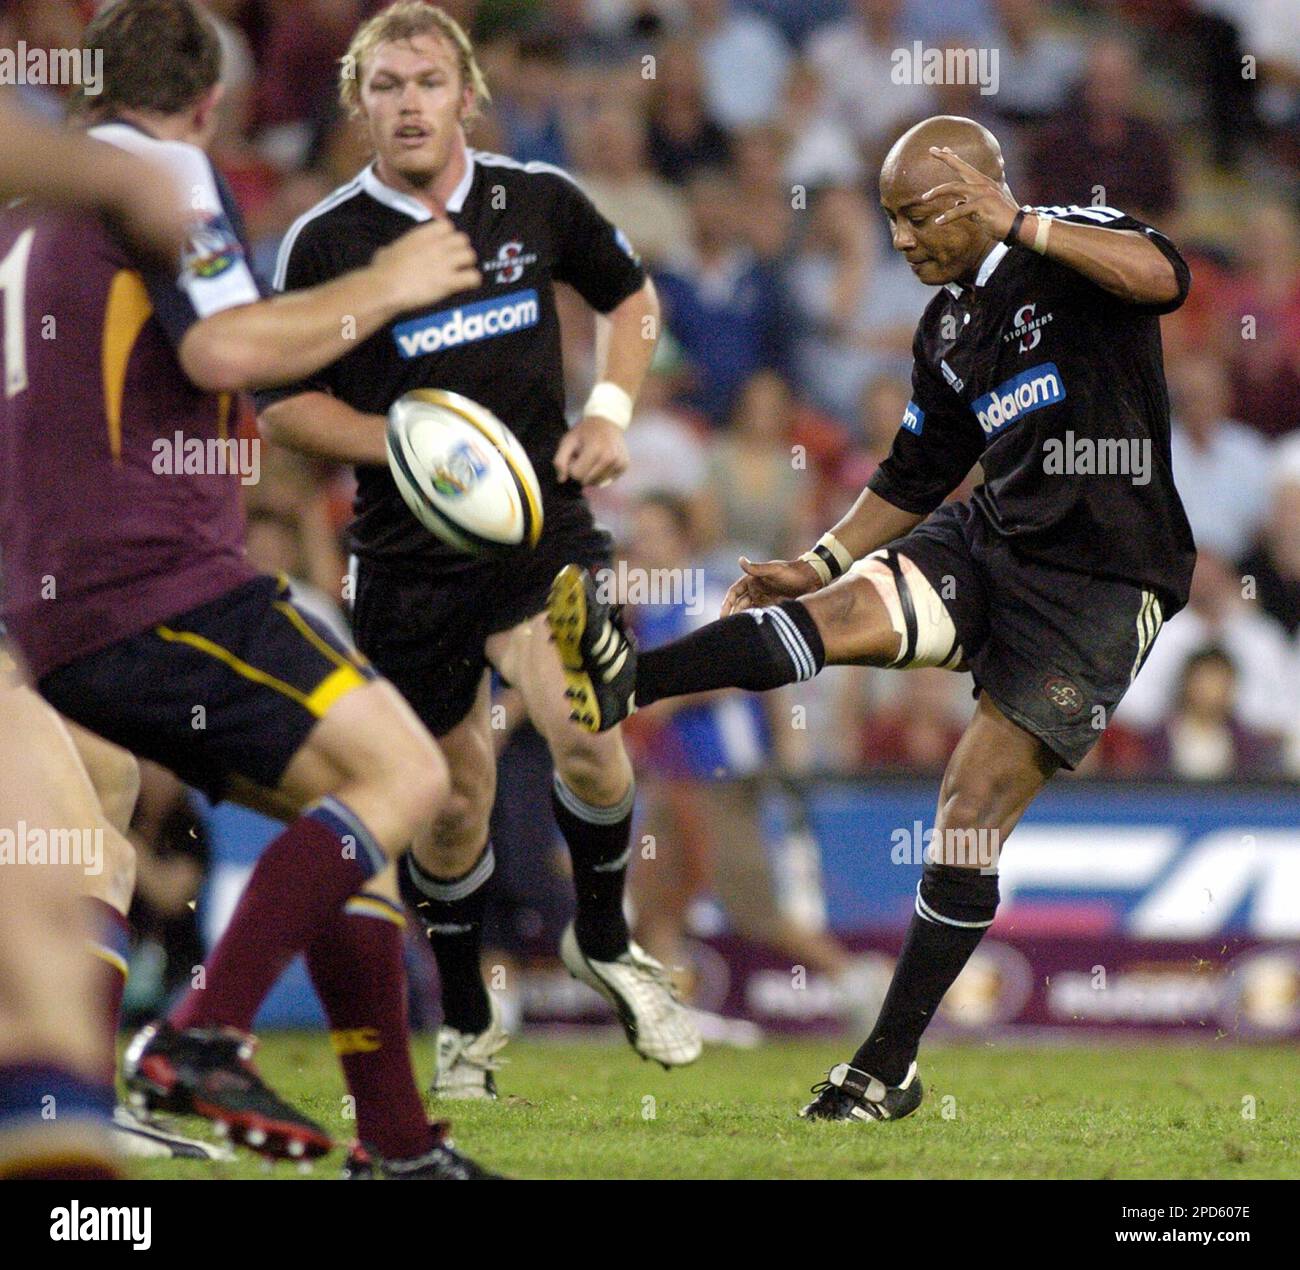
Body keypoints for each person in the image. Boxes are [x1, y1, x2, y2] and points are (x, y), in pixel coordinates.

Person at [550, 113, 1195, 1123]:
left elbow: (1164, 277)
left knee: (967, 813)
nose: (901, 241)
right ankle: (620, 678)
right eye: (889, 219)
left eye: (916, 215)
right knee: (838, 611)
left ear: (976, 194)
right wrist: (814, 560)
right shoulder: (943, 329)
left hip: (1105, 583)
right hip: (994, 541)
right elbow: (917, 471)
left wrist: (1021, 223)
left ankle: (886, 1063)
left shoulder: (1068, 242)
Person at [0, 0, 494, 1178]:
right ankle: (199, 1033)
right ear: (210, 102)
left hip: (48, 601)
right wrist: (387, 281)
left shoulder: (25, 218)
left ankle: (394, 1145)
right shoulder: (163, 172)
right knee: (407, 773)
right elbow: (224, 350)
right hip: (158, 581)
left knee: (323, 823)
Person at [258, 1, 700, 1099]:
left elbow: (632, 300)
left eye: (427, 83)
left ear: (467, 96)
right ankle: (461, 1019)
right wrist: (413, 448)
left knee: (589, 728)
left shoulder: (538, 202)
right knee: (450, 806)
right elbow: (281, 406)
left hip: (545, 532)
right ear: (360, 106)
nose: (408, 104)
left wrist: (607, 411)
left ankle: (602, 937)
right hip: (408, 562)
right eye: (386, 87)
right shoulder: (324, 243)